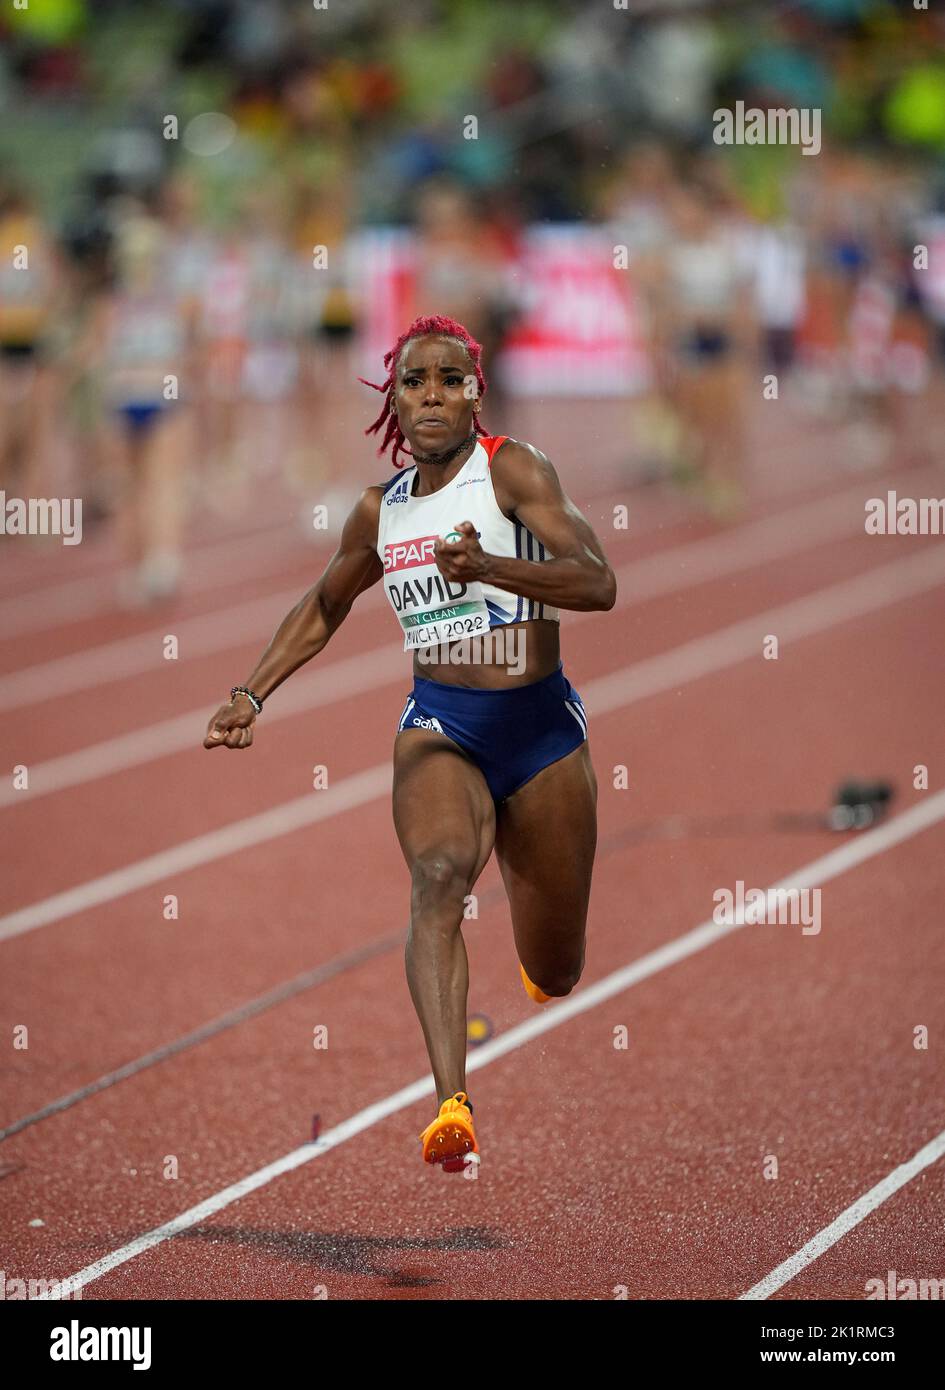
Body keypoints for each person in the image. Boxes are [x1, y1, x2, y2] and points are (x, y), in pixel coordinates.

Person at [203, 314, 617, 1172]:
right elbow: (324, 605)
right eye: (415, 381)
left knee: (558, 970)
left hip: (541, 735)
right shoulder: (377, 513)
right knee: (435, 879)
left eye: (449, 380)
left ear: (475, 393)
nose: (432, 394)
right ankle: (450, 1104)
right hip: (442, 729)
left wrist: (493, 569)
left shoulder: (513, 471)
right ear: (394, 399)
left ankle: (540, 955)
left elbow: (597, 584)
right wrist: (250, 693)